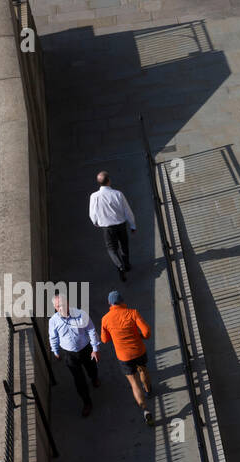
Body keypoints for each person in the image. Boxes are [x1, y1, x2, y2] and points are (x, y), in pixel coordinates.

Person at [100, 290, 154, 425]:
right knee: (143, 370)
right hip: (138, 350)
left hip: (124, 356)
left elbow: (104, 339)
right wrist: (143, 337)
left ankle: (145, 409)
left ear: (109, 303)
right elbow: (146, 331)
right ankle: (148, 390)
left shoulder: (105, 319)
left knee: (134, 383)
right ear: (122, 301)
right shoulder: (132, 313)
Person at [48, 293, 101, 416]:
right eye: (57, 306)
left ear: (67, 303)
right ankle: (87, 402)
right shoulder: (53, 321)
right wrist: (55, 351)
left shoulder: (81, 314)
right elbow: (53, 337)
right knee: (79, 379)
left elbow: (91, 330)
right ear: (55, 307)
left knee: (92, 367)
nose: (60, 308)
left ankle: (94, 378)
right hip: (70, 354)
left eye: (62, 305)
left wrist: (95, 348)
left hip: (86, 349)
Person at [88, 171, 136, 281]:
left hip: (107, 228)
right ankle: (127, 265)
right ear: (109, 181)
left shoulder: (94, 196)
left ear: (98, 182)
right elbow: (127, 210)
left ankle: (120, 266)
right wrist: (133, 225)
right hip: (121, 225)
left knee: (112, 249)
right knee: (124, 245)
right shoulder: (118, 194)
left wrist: (95, 221)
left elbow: (92, 213)